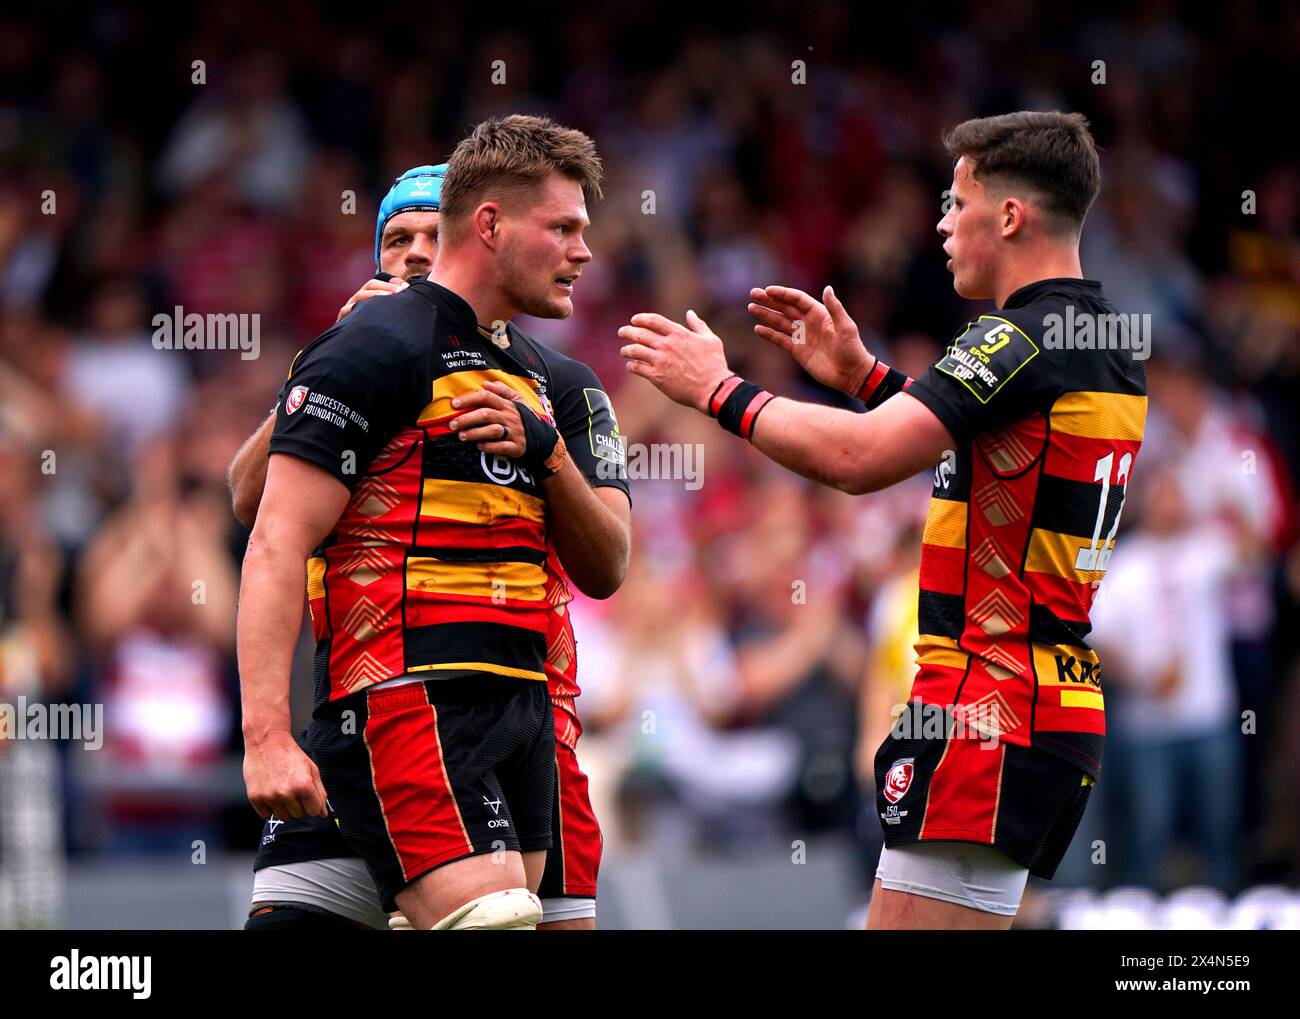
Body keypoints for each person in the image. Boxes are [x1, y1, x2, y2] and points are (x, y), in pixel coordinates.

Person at [618, 111, 1146, 929]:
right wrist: (867, 377)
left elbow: (862, 462)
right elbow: (995, 454)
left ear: (1009, 216)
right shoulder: (1102, 338)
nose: (940, 221)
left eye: (955, 199)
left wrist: (719, 392)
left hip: (984, 702)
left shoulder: (1020, 337)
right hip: (1046, 702)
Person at [238, 116, 630, 930]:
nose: (583, 251)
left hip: (532, 714)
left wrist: (549, 456)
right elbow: (269, 530)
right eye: (563, 228)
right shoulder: (369, 347)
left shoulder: (554, 381)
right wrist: (266, 734)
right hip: (402, 702)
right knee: (489, 919)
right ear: (487, 225)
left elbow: (609, 565)